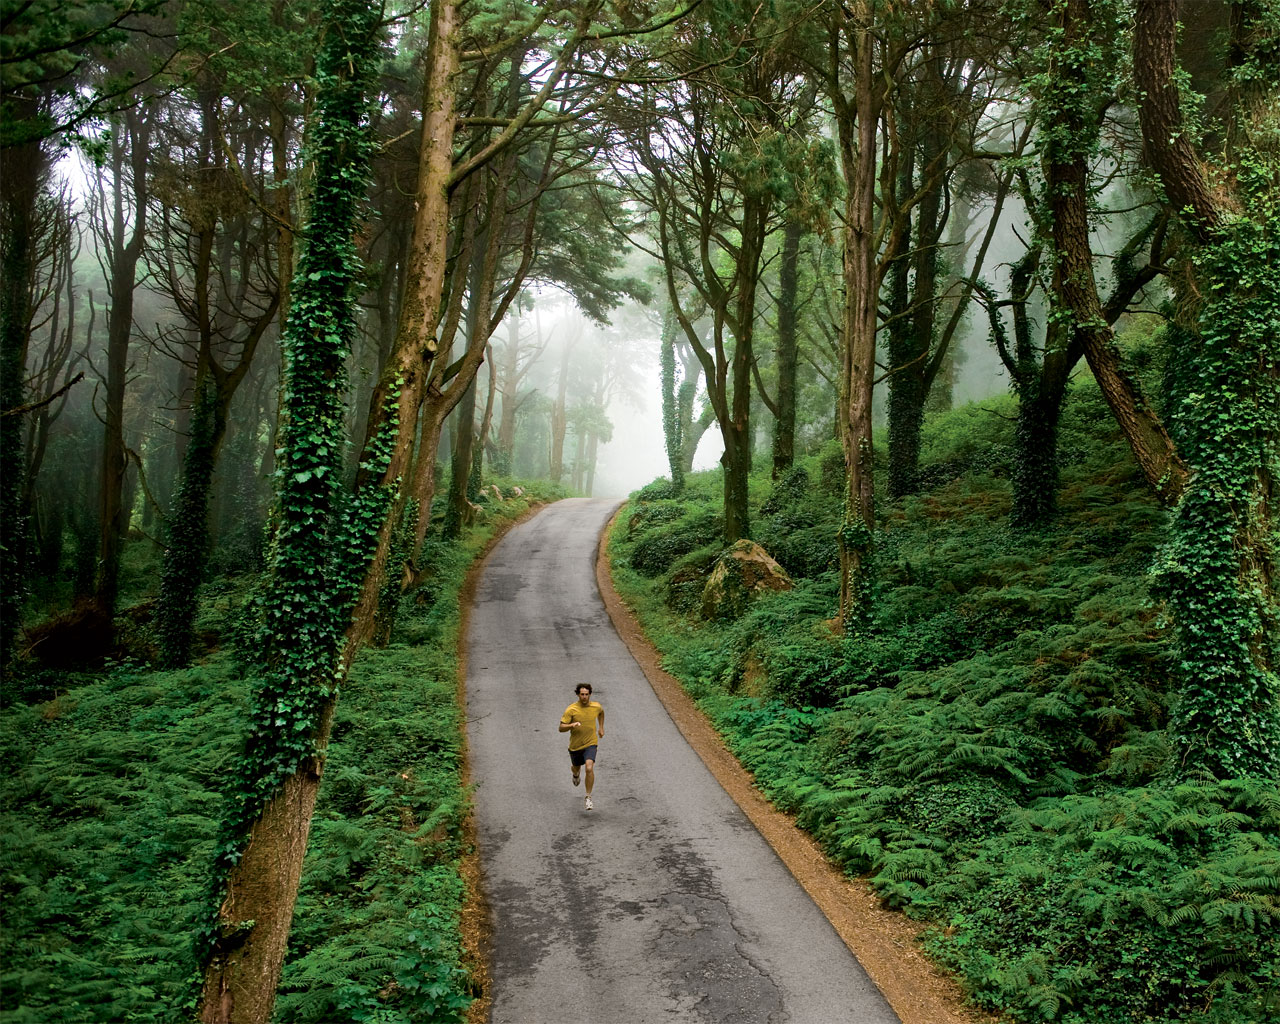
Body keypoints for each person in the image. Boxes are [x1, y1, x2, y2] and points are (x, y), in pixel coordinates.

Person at [559, 683, 604, 810]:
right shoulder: (571, 709)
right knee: (576, 767)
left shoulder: (596, 706)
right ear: (578, 695)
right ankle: (575, 774)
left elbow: (601, 713)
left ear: (590, 694)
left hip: (591, 743)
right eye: (582, 694)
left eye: (586, 694)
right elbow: (561, 727)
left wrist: (601, 727)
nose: (584, 697)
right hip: (575, 746)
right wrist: (571, 725)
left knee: (589, 767)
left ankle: (588, 797)